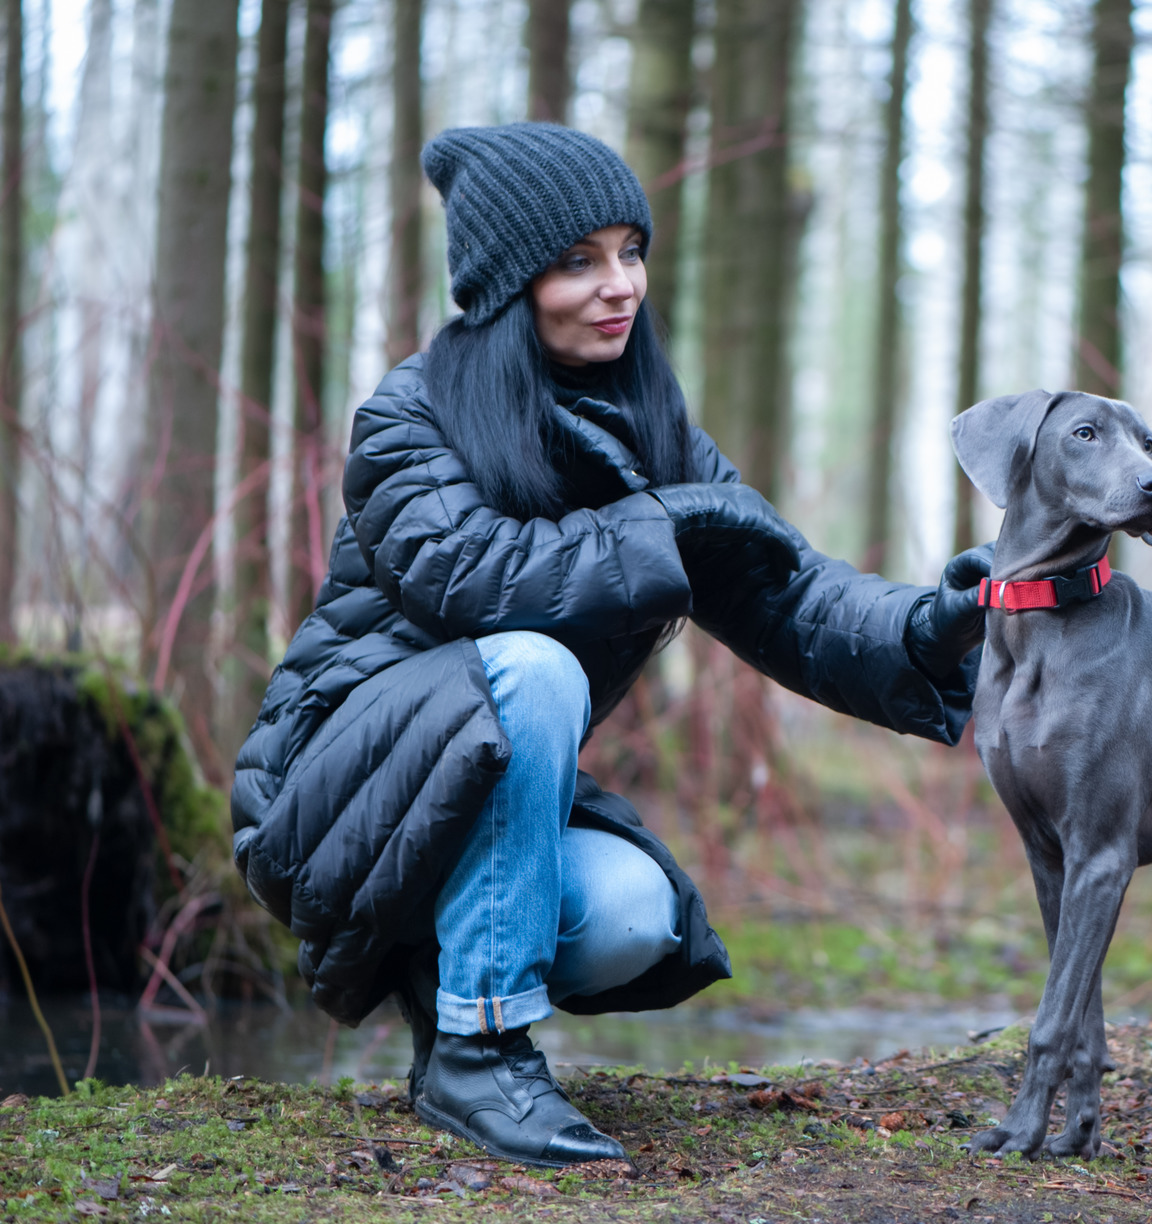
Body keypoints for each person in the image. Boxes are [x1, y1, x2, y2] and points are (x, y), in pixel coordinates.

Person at [231, 123, 992, 1168]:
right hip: (332, 798)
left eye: (629, 250)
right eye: (577, 260)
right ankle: (480, 1051)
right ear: (509, 284)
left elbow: (788, 589)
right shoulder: (410, 417)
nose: (617, 284)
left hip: (467, 804)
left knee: (634, 916)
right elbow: (477, 576)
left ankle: (449, 982)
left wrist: (928, 625)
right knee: (531, 667)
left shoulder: (645, 429)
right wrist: (661, 526)